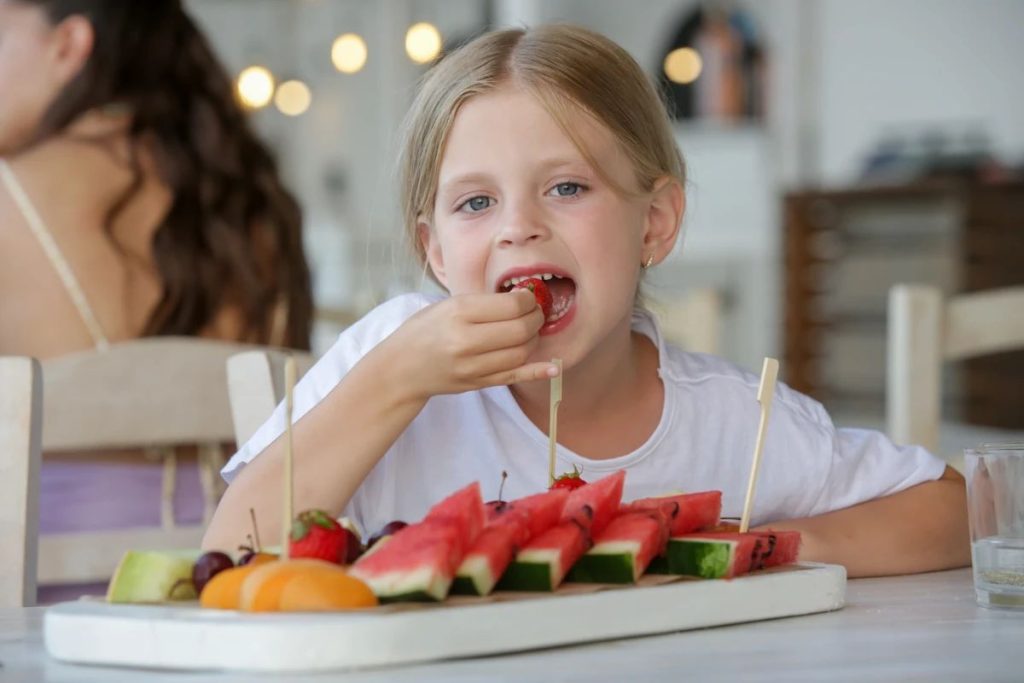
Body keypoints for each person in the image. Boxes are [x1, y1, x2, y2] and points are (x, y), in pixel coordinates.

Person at [204, 25, 969, 578]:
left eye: (567, 187)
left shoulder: (736, 418)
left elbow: (957, 510)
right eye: (475, 203)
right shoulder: (391, 354)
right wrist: (393, 379)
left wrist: (771, 541)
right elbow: (229, 545)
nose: (519, 226)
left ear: (655, 223)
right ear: (434, 252)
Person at [0, 0, 312, 541]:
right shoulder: (256, 200)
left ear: (69, 46)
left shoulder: (9, 192)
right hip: (243, 566)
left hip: (46, 600)